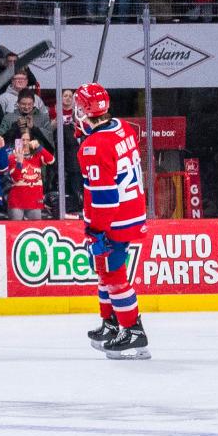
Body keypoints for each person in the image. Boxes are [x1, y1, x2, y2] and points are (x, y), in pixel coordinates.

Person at [73, 83, 151, 359]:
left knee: (113, 273)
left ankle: (133, 330)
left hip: (114, 220)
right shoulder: (123, 127)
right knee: (105, 269)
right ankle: (111, 323)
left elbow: (105, 198)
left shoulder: (93, 146)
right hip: (132, 211)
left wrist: (96, 229)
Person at [5, 130, 55, 220]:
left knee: (35, 230)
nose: (25, 143)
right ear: (18, 141)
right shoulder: (12, 156)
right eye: (22, 140)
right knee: (15, 230)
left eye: (28, 140)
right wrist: (19, 162)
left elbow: (51, 160)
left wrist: (39, 147)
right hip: (17, 201)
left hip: (35, 200)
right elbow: (16, 178)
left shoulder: (37, 155)